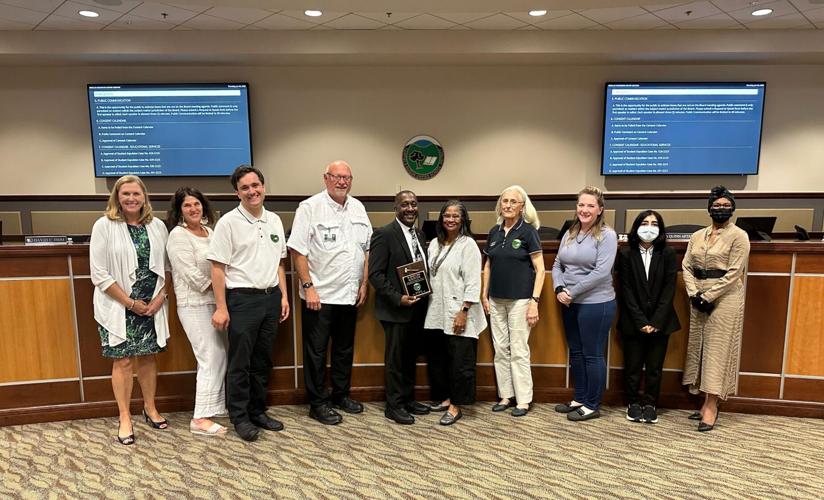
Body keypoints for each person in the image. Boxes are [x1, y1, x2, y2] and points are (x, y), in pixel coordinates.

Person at [207, 165, 290, 442]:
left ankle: (258, 410)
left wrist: (284, 296)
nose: (252, 191)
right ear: (237, 192)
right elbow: (217, 268)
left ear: (263, 186)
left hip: (270, 298)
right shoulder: (228, 223)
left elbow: (279, 263)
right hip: (242, 300)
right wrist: (221, 307)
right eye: (245, 188)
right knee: (240, 362)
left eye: (256, 185)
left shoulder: (275, 220)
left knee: (262, 360)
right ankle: (240, 417)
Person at [287, 160, 371, 425]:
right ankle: (317, 403)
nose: (342, 182)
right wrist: (308, 287)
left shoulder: (358, 207)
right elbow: (298, 250)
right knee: (316, 352)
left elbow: (366, 249)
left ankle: (340, 395)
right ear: (326, 178)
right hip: (319, 296)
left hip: (349, 293)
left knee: (344, 349)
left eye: (347, 177)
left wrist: (364, 283)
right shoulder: (310, 207)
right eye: (337, 177)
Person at [90, 175, 171, 446]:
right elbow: (98, 273)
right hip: (118, 305)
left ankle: (150, 408)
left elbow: (168, 267)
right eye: (125, 194)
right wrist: (129, 302)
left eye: (136, 194)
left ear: (144, 197)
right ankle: (125, 416)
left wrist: (161, 297)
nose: (131, 198)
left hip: (151, 305)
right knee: (123, 361)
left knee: (148, 357)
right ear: (117, 197)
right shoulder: (104, 226)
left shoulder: (158, 226)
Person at [682, 186, 750, 432]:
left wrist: (709, 296)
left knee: (718, 350)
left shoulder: (739, 236)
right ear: (709, 208)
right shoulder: (697, 235)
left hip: (725, 297)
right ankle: (702, 401)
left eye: (725, 205)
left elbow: (734, 272)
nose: (720, 209)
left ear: (732, 208)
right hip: (698, 295)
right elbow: (687, 265)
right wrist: (694, 294)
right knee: (700, 348)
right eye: (716, 205)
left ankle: (712, 406)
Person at [165, 187, 228, 436]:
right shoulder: (178, 236)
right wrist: (220, 286)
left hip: (216, 303)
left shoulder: (210, 232)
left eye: (197, 204)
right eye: (187, 205)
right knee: (209, 356)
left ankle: (213, 408)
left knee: (220, 355)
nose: (193, 209)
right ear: (179, 210)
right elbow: (189, 274)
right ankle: (200, 418)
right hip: (194, 305)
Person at [552, 186, 617, 422]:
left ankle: (592, 403)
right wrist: (559, 288)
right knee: (577, 353)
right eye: (581, 205)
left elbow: (601, 272)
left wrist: (572, 291)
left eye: (590, 205)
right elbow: (558, 263)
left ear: (600, 210)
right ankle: (579, 397)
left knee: (592, 354)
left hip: (596, 303)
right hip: (569, 301)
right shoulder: (571, 231)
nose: (585, 209)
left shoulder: (607, 235)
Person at [368, 190, 432, 425]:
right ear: (395, 208)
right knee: (395, 360)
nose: (410, 209)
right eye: (404, 204)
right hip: (396, 309)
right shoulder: (384, 235)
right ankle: (393, 406)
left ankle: (408, 399)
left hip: (417, 307)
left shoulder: (420, 234)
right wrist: (398, 298)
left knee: (409, 357)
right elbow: (374, 275)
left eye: (413, 204)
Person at [481, 185, 544, 417]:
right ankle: (506, 395)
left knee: (518, 349)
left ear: (522, 207)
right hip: (496, 300)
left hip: (520, 300)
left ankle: (524, 400)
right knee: (500, 350)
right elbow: (488, 265)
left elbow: (540, 269)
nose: (507, 205)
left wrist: (534, 301)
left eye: (513, 202)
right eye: (504, 201)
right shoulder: (494, 232)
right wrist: (484, 295)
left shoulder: (528, 232)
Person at [424, 201, 487, 425]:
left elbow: (473, 281)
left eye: (455, 216)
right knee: (439, 359)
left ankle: (456, 405)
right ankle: (445, 397)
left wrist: (464, 311)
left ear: (463, 220)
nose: (450, 219)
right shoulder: (434, 243)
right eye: (446, 216)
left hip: (460, 310)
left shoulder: (468, 245)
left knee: (460, 361)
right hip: (436, 311)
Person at [616, 210, 680, 425]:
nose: (649, 227)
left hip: (661, 322)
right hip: (633, 321)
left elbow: (669, 288)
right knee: (633, 367)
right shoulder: (625, 254)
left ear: (660, 229)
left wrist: (655, 322)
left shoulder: (668, 253)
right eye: (645, 222)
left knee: (654, 368)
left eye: (654, 223)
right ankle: (633, 403)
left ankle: (651, 404)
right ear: (636, 227)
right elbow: (626, 289)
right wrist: (641, 321)